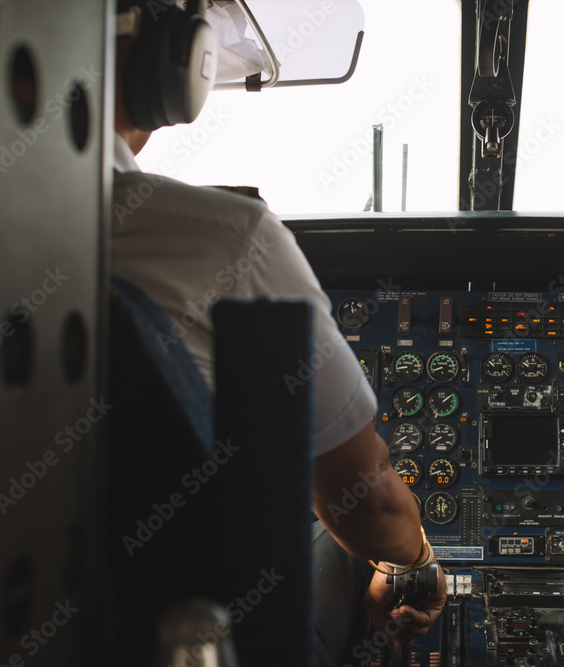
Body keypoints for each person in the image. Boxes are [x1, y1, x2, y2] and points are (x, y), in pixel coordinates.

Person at [108, 2, 446, 665]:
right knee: (336, 543)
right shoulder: (226, 243)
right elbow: (368, 503)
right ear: (165, 57)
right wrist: (421, 565)